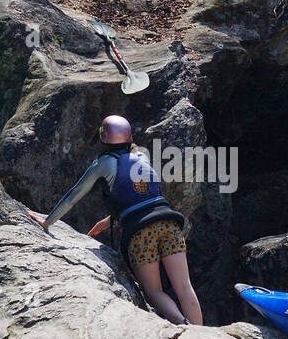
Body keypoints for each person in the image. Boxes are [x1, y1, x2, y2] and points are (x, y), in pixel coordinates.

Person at [26, 116, 203, 325]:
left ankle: (185, 327)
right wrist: (111, 219)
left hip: (141, 232)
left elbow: (74, 196)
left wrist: (47, 222)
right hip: (169, 223)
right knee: (184, 287)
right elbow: (143, 197)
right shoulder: (141, 156)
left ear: (103, 139)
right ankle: (202, 335)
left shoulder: (102, 163)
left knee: (154, 292)